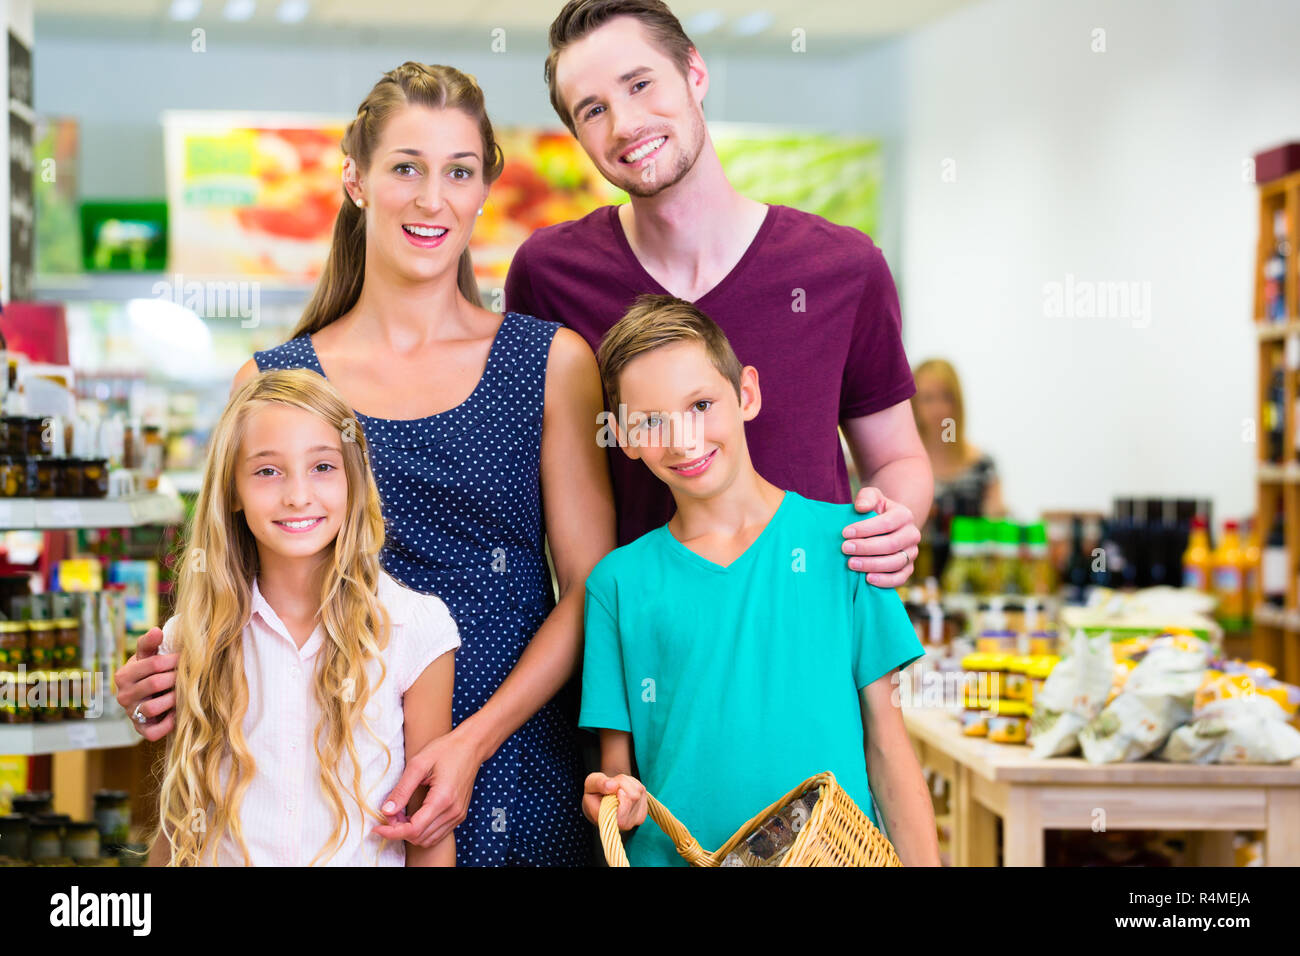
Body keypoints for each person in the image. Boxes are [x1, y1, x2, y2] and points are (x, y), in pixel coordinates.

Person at [119, 63, 616, 866]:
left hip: (517, 759)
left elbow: (595, 587)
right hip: (340, 777)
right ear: (355, 180)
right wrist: (162, 670)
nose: (433, 198)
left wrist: (471, 744)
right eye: (406, 168)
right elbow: (226, 584)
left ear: (486, 186)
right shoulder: (276, 381)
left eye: (459, 171)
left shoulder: (549, 362)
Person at [505, 0, 933, 586]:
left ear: (695, 73)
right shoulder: (549, 274)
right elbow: (529, 480)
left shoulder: (844, 268)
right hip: (639, 646)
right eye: (594, 110)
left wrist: (893, 525)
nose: (625, 124)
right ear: (577, 135)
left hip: (808, 634)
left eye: (640, 84)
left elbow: (895, 458)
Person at [578, 295, 940, 867]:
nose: (683, 440)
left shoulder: (848, 544)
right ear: (624, 437)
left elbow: (889, 749)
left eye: (700, 404)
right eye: (650, 421)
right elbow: (618, 775)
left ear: (746, 394)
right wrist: (612, 800)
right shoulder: (616, 587)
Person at [149, 369, 460, 866]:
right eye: (267, 471)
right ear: (231, 490)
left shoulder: (414, 628)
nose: (297, 495)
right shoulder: (192, 637)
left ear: (353, 480)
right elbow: (178, 818)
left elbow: (429, 831)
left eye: (322, 467)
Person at [912, 358, 1005, 519]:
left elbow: (996, 517)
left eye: (946, 397)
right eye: (927, 398)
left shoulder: (983, 465)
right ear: (913, 404)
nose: (938, 408)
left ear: (958, 401)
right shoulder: (903, 465)